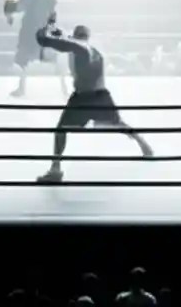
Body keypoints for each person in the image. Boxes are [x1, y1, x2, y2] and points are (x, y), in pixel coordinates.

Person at [32, 13, 153, 183]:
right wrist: (52, 28)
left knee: (61, 129)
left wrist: (46, 30)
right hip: (99, 94)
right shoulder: (93, 50)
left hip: (84, 97)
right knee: (117, 123)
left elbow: (49, 41)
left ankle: (55, 169)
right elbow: (62, 37)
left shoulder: (79, 47)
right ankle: (143, 144)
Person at [5, 0, 69, 98]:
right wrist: (10, 14)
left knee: (55, 58)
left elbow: (52, 13)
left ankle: (64, 87)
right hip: (28, 30)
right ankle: (21, 87)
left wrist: (52, 28)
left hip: (42, 30)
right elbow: (18, 6)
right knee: (23, 59)